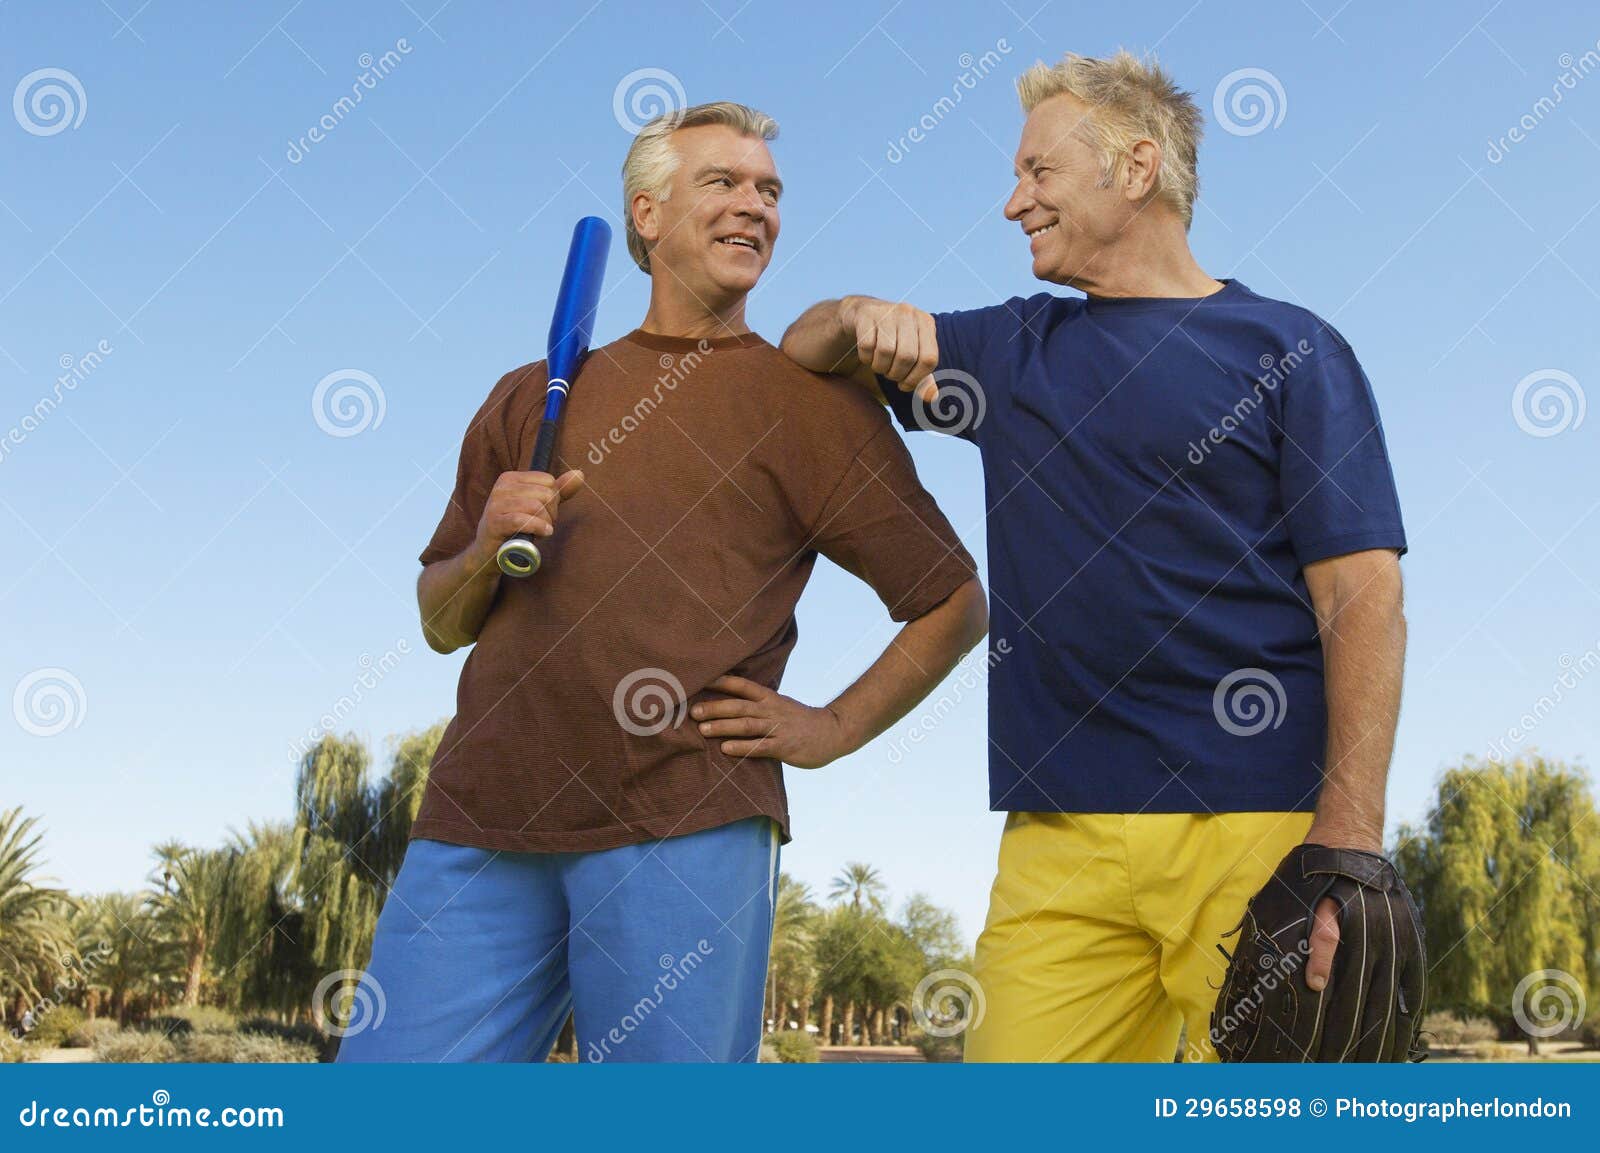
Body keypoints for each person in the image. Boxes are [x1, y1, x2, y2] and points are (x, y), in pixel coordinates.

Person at [781, 52, 1409, 1061]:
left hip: (1254, 824)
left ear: (1134, 167)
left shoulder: (1288, 349)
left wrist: (1348, 844)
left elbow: (1364, 598)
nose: (1011, 202)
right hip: (1057, 835)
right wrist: (856, 315)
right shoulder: (1010, 349)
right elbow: (800, 351)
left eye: (1038, 173)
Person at [336, 102, 986, 1063]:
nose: (754, 206)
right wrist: (483, 547)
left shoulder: (811, 403)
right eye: (721, 182)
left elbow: (953, 600)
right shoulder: (528, 396)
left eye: (769, 190)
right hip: (483, 812)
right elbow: (441, 620)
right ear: (645, 213)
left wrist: (832, 727)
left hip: (687, 818)